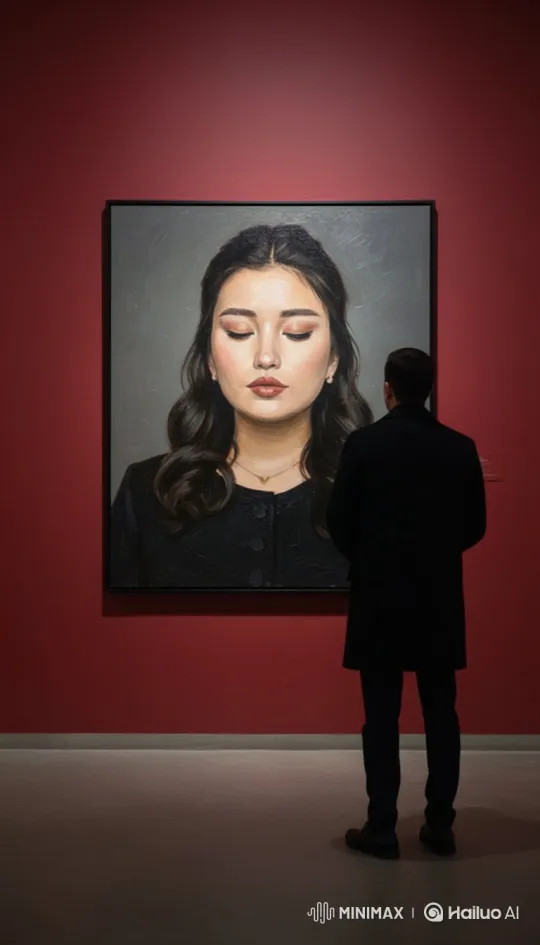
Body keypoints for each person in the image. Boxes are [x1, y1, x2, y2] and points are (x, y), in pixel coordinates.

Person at [109, 223, 372, 589]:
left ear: (333, 360)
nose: (266, 357)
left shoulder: (378, 494)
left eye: (296, 332)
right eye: (238, 331)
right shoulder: (145, 493)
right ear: (210, 358)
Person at [326, 348, 486, 859]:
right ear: (429, 388)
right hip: (438, 597)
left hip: (380, 597)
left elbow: (340, 521)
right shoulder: (459, 448)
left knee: (381, 715)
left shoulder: (364, 445)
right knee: (442, 712)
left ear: (388, 388)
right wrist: (435, 556)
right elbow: (474, 527)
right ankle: (440, 824)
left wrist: (373, 558)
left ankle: (382, 825)